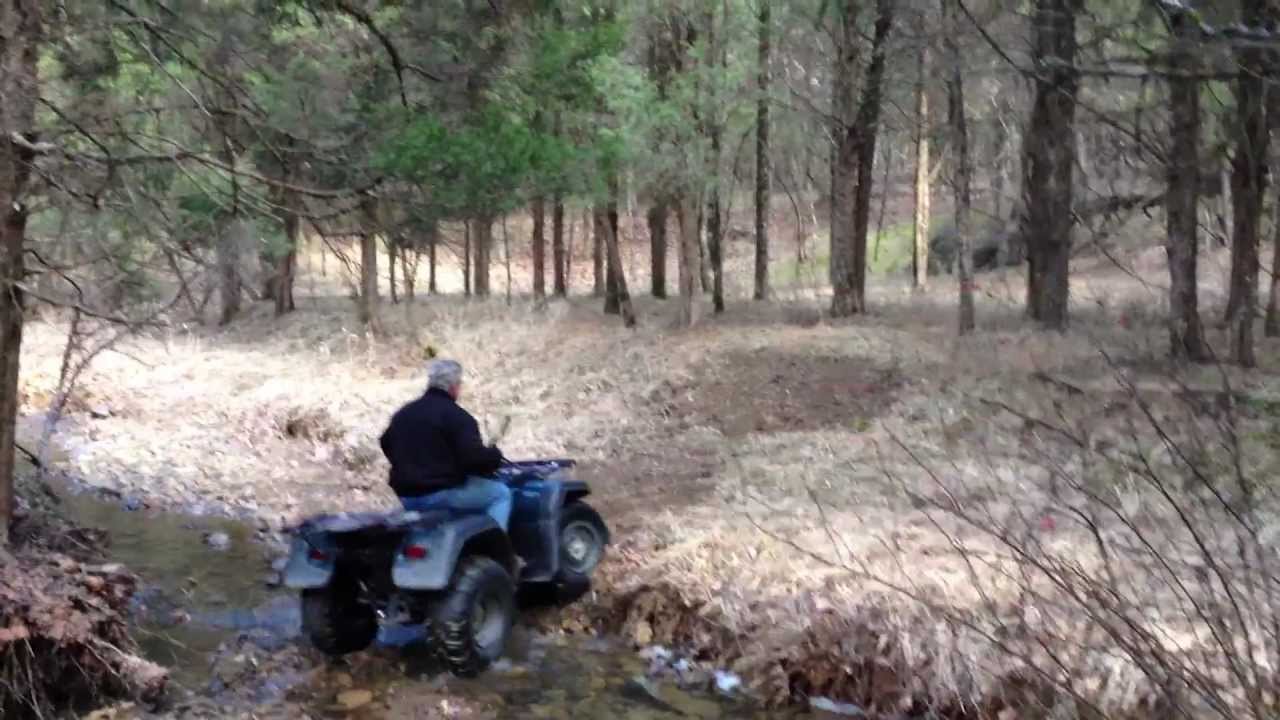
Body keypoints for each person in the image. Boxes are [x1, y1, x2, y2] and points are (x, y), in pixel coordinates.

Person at [378, 359, 512, 531]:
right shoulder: (457, 417)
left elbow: (385, 442)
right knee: (500, 494)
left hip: (407, 496)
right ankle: (497, 549)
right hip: (442, 494)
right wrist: (494, 455)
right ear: (454, 387)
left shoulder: (403, 414)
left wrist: (409, 464)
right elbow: (474, 460)